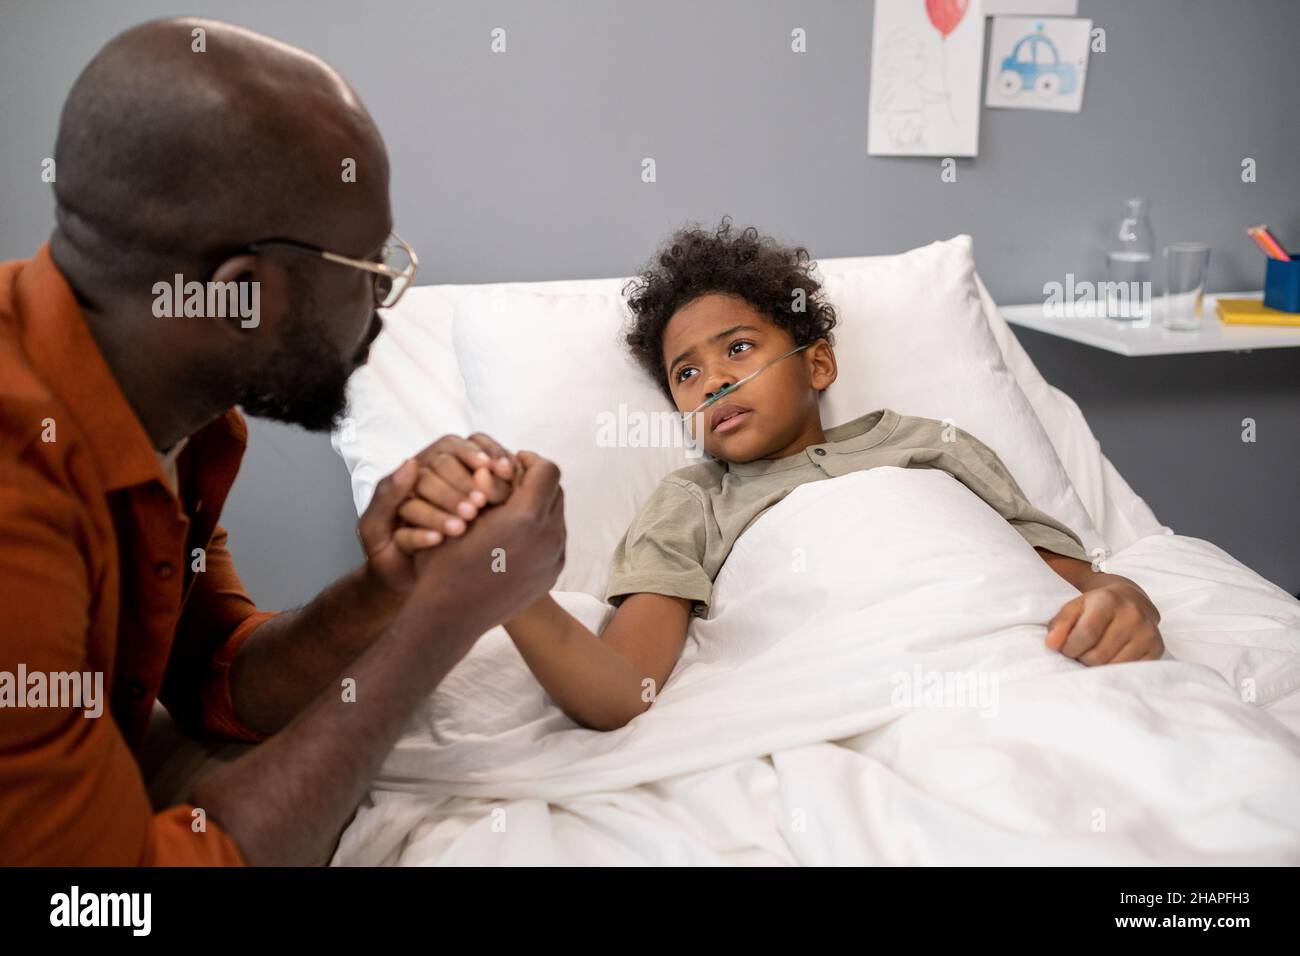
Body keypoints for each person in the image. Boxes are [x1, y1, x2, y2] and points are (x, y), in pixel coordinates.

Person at [0, 17, 563, 866]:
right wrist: (443, 624)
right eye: (371, 271)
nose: (384, 306)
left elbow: (216, 681)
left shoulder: (178, 418)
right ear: (240, 297)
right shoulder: (18, 487)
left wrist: (390, 588)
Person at [471, 219, 1164, 732]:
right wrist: (513, 593)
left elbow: (1079, 581)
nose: (714, 380)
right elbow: (622, 690)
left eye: (738, 348)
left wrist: (1127, 601)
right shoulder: (692, 501)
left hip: (1030, 670)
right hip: (866, 698)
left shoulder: (931, 444)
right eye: (687, 373)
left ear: (818, 365)